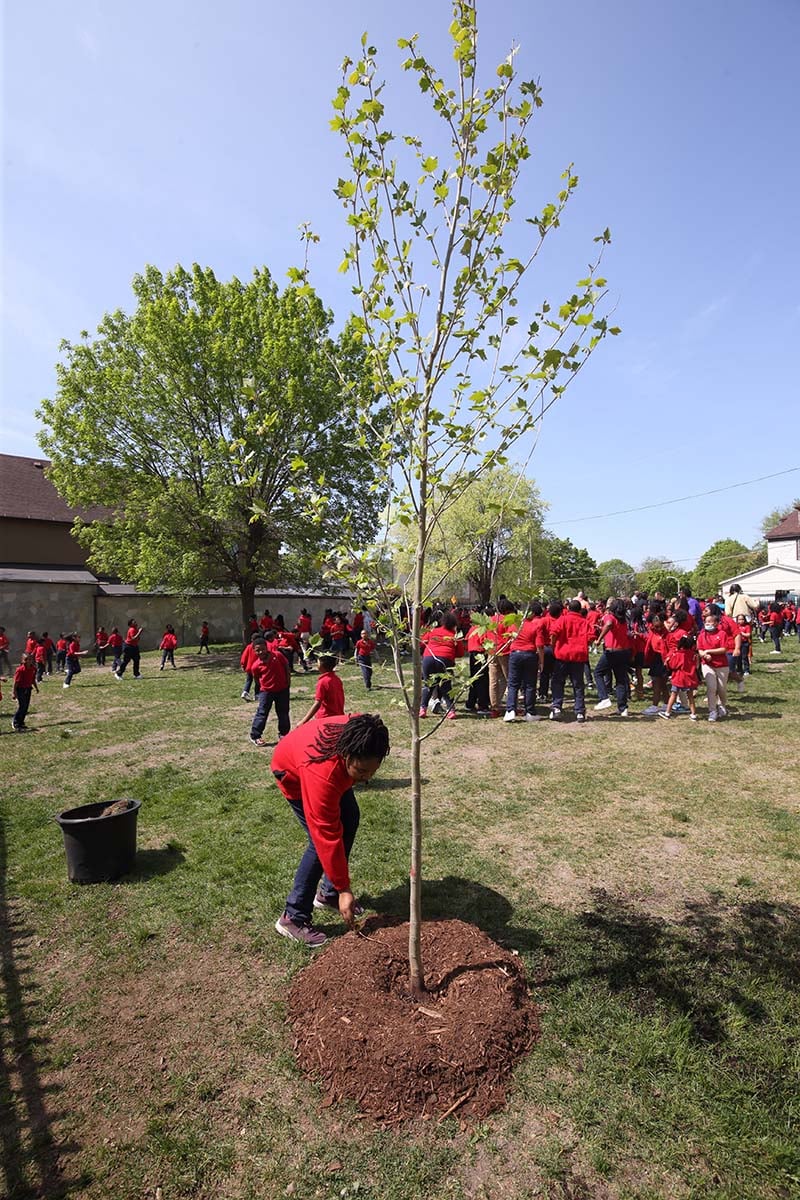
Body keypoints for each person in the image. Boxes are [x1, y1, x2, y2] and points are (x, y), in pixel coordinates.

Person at [272, 713, 390, 946]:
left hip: (325, 764)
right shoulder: (322, 776)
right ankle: (293, 917)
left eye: (372, 771)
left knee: (350, 818)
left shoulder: (364, 734)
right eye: (362, 772)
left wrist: (339, 888)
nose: (367, 778)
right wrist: (345, 888)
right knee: (319, 846)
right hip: (292, 771)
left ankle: (328, 894)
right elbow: (326, 836)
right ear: (347, 756)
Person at [549, 600, 591, 722]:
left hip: (562, 654)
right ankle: (580, 711)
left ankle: (557, 706)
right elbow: (591, 637)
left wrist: (553, 646)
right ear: (580, 609)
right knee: (578, 684)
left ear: (568, 608)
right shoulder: (585, 622)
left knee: (558, 682)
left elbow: (553, 633)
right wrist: (583, 645)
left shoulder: (562, 620)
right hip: (578, 656)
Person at [504, 603, 545, 722]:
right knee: (530, 685)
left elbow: (507, 640)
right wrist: (541, 662)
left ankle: (510, 710)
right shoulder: (535, 626)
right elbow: (540, 646)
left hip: (515, 654)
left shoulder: (513, 626)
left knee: (513, 684)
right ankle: (530, 712)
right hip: (530, 655)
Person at [249, 633, 291, 746]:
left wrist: (287, 682)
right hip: (267, 692)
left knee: (283, 712)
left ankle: (284, 734)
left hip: (282, 690)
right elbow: (257, 679)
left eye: (263, 649)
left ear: (266, 647)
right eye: (258, 650)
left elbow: (286, 667)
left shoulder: (278, 655)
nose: (261, 652)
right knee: (262, 713)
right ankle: (255, 735)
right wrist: (264, 687)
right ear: (254, 651)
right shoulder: (256, 666)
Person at [592, 599, 631, 716]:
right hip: (624, 651)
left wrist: (599, 639)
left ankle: (604, 698)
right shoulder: (624, 619)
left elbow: (609, 624)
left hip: (612, 651)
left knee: (598, 673)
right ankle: (623, 708)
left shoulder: (610, 617)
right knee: (620, 680)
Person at [419, 611, 461, 719]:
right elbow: (460, 653)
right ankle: (451, 710)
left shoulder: (433, 630)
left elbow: (422, 643)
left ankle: (422, 709)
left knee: (428, 684)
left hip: (429, 658)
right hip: (445, 660)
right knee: (446, 686)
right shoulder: (454, 635)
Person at [696, 608, 731, 722]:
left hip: (722, 665)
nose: (708, 624)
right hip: (707, 665)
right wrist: (704, 655)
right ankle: (712, 710)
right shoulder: (702, 635)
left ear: (716, 623)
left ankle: (722, 705)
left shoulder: (722, 634)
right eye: (706, 622)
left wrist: (709, 651)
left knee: (721, 688)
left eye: (710, 622)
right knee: (711, 688)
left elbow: (724, 649)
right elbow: (700, 649)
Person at [659, 622, 699, 720]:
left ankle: (667, 712)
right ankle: (693, 714)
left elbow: (673, 665)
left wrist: (668, 661)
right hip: (690, 678)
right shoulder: (694, 655)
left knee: (673, 694)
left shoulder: (679, 654)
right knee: (690, 697)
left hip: (679, 678)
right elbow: (697, 666)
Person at [299, 655, 345, 724]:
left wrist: (303, 721)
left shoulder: (323, 682)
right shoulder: (336, 679)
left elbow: (317, 703)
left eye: (318, 664)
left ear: (322, 666)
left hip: (325, 718)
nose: (317, 665)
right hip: (338, 715)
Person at [12, 651, 39, 731]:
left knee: (26, 707)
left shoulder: (33, 668)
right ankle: (16, 722)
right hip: (20, 689)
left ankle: (21, 722)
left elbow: (33, 679)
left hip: (28, 689)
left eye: (30, 659)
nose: (28, 661)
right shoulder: (20, 670)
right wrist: (14, 692)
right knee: (22, 706)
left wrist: (36, 687)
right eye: (26, 659)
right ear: (23, 660)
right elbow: (16, 682)